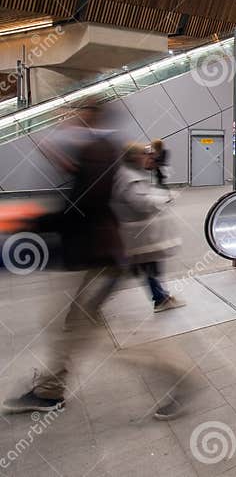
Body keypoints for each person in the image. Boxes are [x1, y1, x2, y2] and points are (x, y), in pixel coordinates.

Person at [2, 108, 194, 419]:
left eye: (72, 113)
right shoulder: (96, 151)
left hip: (98, 257)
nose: (63, 119)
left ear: (88, 117)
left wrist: (28, 224)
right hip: (95, 256)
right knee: (71, 325)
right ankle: (50, 390)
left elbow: (82, 208)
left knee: (92, 332)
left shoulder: (98, 152)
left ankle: (179, 374)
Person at [115, 143, 184, 312]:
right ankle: (160, 298)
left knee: (150, 264)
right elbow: (141, 203)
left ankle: (161, 296)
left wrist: (161, 195)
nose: (150, 158)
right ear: (134, 157)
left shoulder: (132, 173)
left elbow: (143, 194)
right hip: (136, 233)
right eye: (146, 155)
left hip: (139, 233)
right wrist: (164, 198)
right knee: (141, 266)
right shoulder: (129, 176)